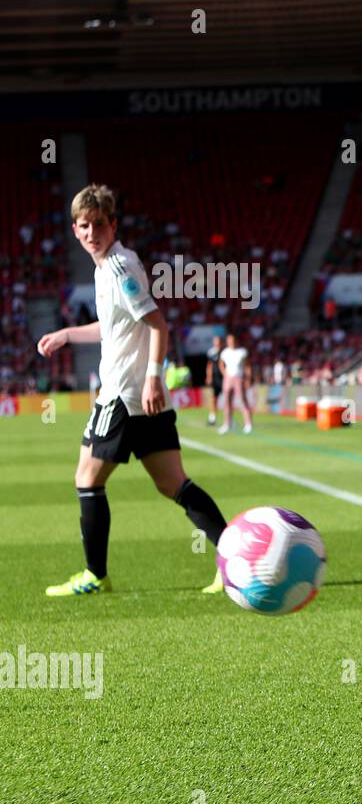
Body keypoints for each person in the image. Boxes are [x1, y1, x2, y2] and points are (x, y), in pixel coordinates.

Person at [35, 184, 230, 597]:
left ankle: (95, 575)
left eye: (99, 225)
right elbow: (113, 327)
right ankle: (235, 558)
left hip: (124, 394)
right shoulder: (107, 265)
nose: (92, 233)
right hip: (143, 398)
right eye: (84, 226)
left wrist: (154, 375)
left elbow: (157, 323)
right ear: (75, 229)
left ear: (113, 225)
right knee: (173, 483)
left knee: (87, 478)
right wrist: (67, 334)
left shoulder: (119, 267)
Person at [218, 332, 253, 434]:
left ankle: (248, 423)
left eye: (232, 340)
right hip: (228, 378)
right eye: (229, 340)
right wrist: (225, 374)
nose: (230, 342)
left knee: (242, 400)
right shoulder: (225, 352)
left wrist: (248, 378)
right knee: (227, 401)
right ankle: (227, 423)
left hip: (239, 377)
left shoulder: (242, 352)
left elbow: (247, 366)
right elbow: (221, 364)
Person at [205, 333, 224, 425]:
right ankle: (212, 417)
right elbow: (209, 366)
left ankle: (228, 419)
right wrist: (209, 377)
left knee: (227, 398)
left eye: (219, 341)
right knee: (214, 398)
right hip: (215, 378)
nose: (217, 343)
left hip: (224, 378)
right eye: (216, 341)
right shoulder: (211, 352)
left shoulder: (225, 352)